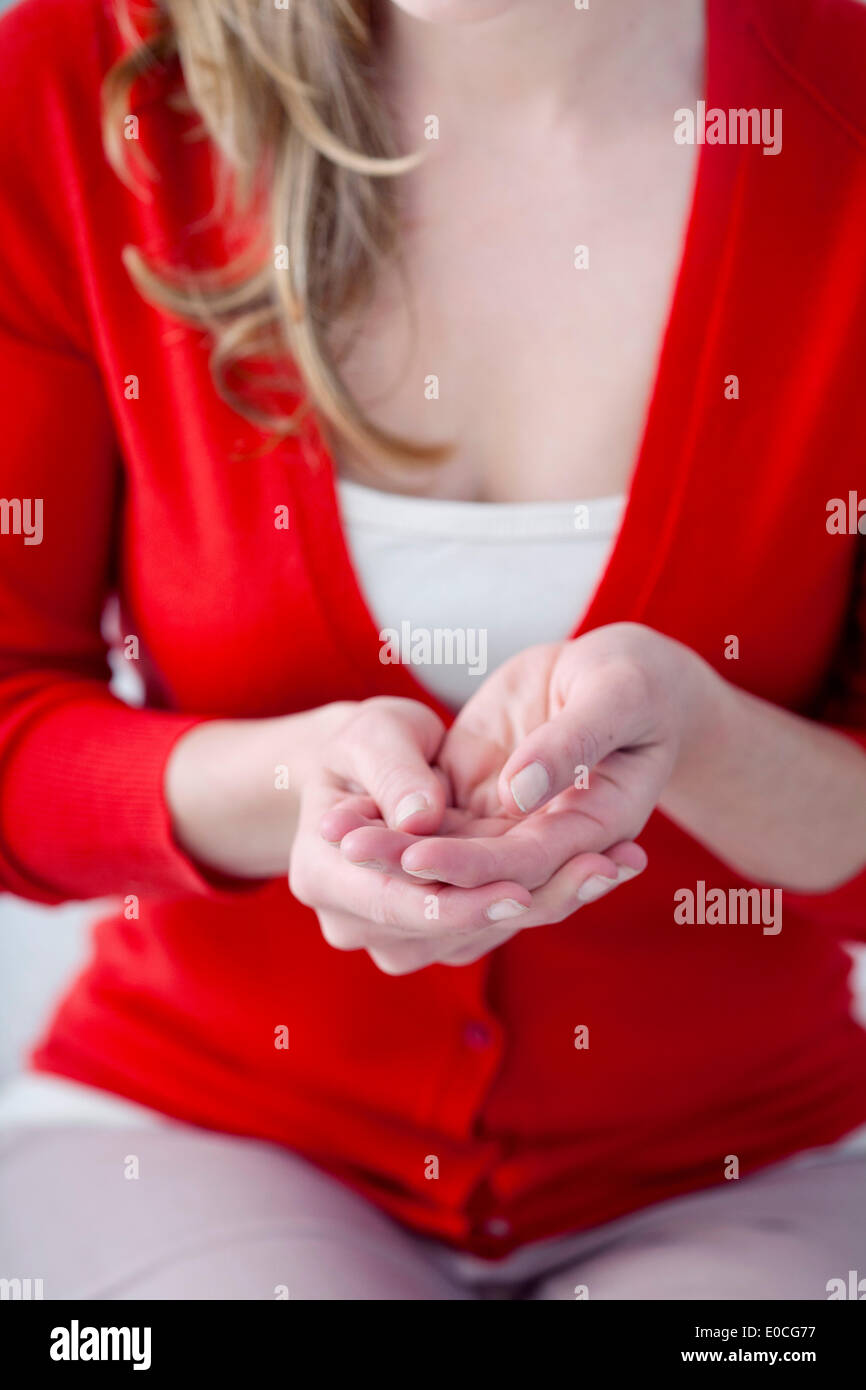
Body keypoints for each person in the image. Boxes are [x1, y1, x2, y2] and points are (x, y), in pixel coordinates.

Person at [0, 0, 865, 1300]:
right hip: (203, 1132)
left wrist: (699, 733)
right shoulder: (89, 80)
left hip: (751, 1167)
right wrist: (294, 784)